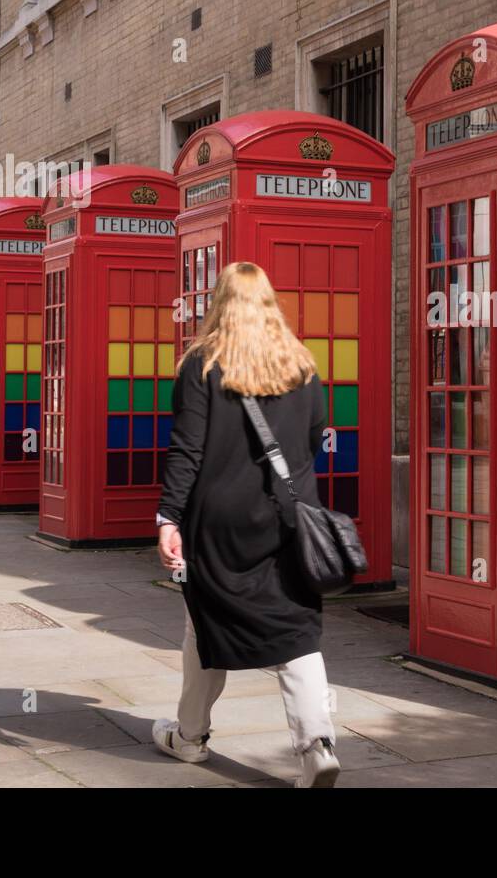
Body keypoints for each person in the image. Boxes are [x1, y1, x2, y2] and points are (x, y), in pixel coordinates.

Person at [152, 261, 339, 788]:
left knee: (204, 622)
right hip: (287, 516)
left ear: (219, 303)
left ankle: (189, 737)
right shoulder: (301, 363)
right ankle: (317, 744)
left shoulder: (202, 364)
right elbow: (314, 436)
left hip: (219, 522)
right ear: (270, 303)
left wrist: (169, 517)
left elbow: (186, 450)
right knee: (297, 627)